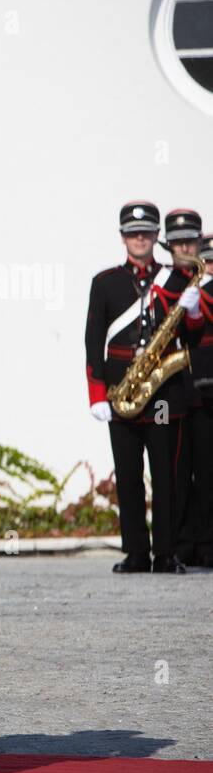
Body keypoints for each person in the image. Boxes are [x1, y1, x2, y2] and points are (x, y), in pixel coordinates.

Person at [85, 204, 205, 574]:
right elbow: (92, 340)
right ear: (123, 236)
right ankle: (136, 551)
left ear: (156, 237)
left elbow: (193, 337)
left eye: (147, 232)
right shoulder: (105, 282)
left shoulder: (178, 279)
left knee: (167, 476)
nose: (140, 237)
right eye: (133, 232)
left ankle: (165, 553)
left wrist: (196, 312)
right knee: (129, 475)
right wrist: (96, 394)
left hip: (166, 393)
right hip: (124, 389)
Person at [177, 234, 213, 566]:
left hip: (204, 394)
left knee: (205, 471)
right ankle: (181, 541)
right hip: (173, 396)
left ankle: (205, 543)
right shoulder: (173, 283)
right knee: (175, 470)